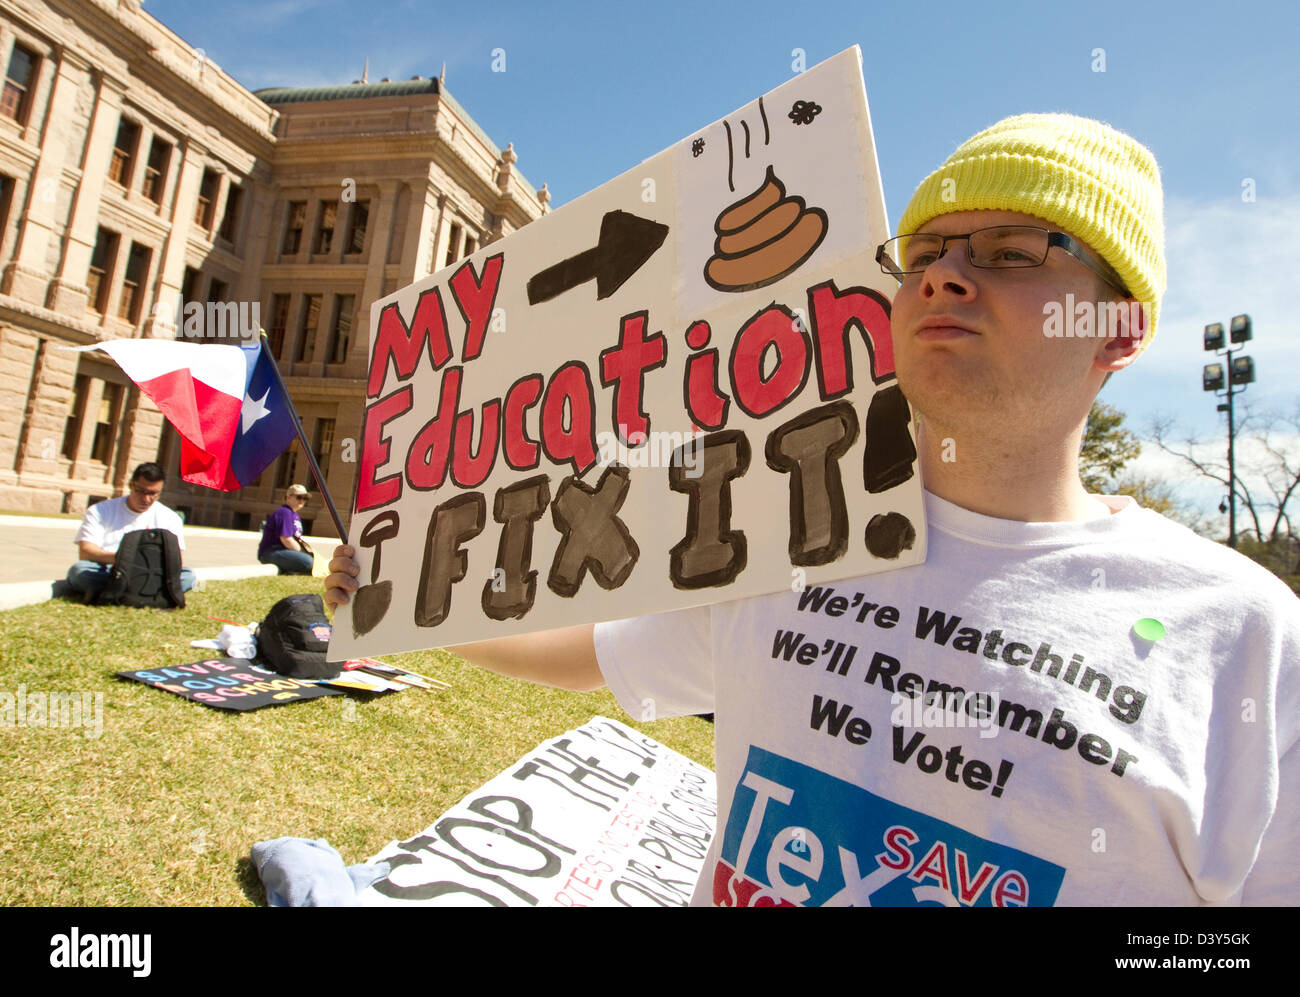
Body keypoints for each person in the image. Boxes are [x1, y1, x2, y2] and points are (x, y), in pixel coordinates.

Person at [325, 113, 1299, 906]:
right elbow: (590, 652)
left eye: (1010, 250)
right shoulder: (791, 521)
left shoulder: (1246, 640)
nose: (942, 276)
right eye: (921, 252)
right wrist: (404, 596)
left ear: (1118, 328)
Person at [66, 462, 197, 597]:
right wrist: (124, 560)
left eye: (153, 494)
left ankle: (117, 591)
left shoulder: (170, 517)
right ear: (130, 485)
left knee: (188, 577)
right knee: (78, 572)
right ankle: (145, 592)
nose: (146, 499)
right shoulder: (100, 511)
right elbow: (86, 552)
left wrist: (143, 565)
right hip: (109, 568)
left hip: (151, 571)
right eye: (140, 491)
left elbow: (175, 559)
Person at [259, 484, 315, 575]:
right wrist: (302, 553)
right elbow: (286, 539)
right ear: (288, 497)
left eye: (305, 498)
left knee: (312, 560)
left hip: (286, 551)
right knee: (309, 562)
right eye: (299, 497)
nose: (302, 501)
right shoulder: (284, 513)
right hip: (272, 552)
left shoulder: (294, 515)